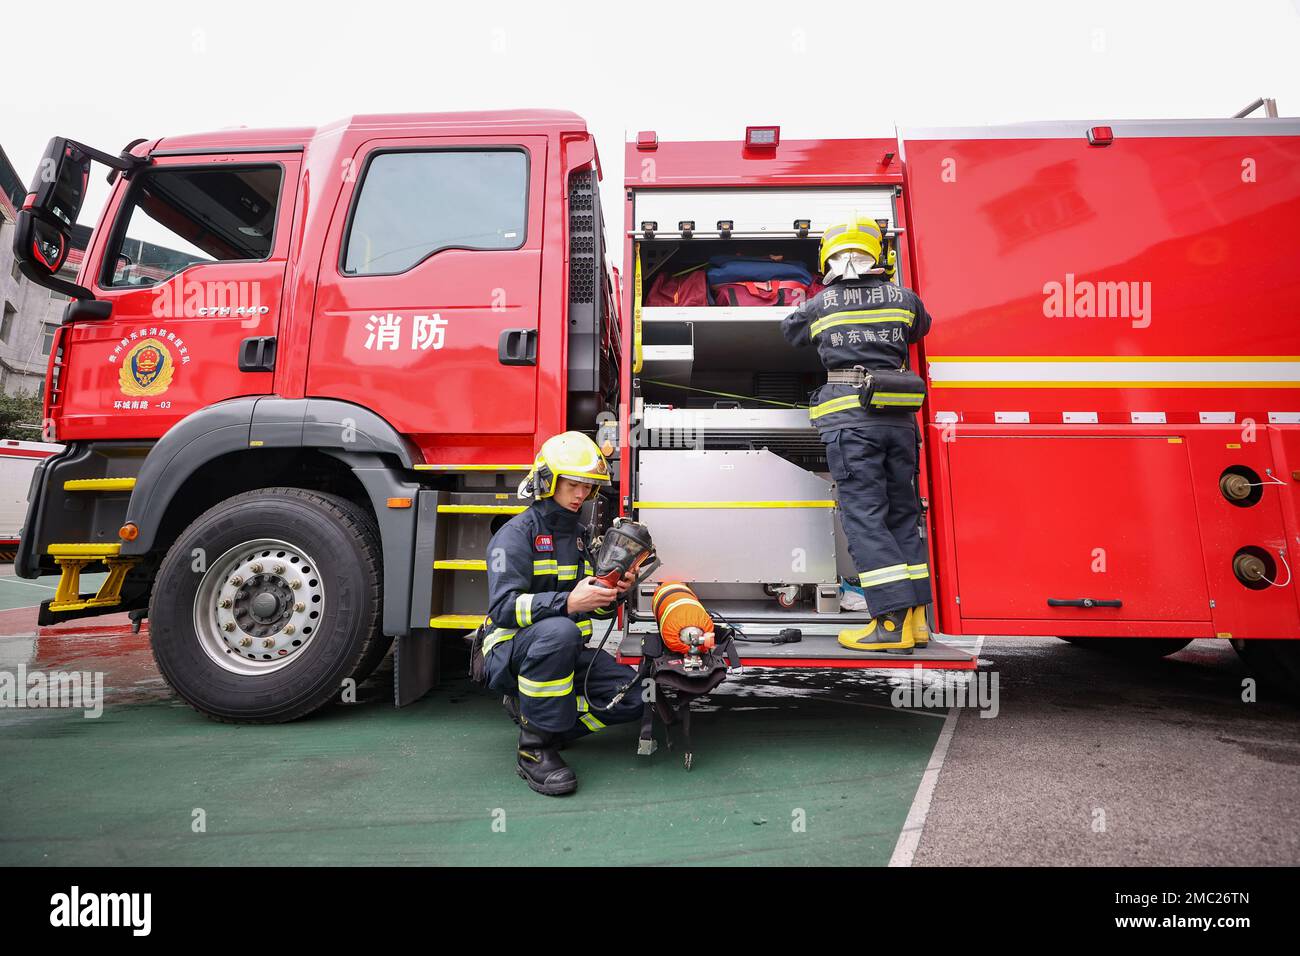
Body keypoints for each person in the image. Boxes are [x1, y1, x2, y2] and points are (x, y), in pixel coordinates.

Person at [780, 217, 934, 653]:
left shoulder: (823, 303)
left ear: (829, 256)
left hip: (851, 428)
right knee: (904, 515)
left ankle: (888, 624)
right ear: (879, 254)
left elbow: (790, 332)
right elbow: (922, 327)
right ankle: (916, 619)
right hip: (899, 424)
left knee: (865, 518)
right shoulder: (904, 299)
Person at [480, 431, 643, 796]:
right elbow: (504, 609)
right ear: (546, 480)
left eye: (587, 486)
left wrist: (611, 594)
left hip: (563, 652)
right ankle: (535, 749)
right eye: (572, 484)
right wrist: (568, 603)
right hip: (510, 652)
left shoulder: (580, 536)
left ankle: (550, 723)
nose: (581, 494)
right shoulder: (514, 536)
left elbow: (597, 615)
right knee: (559, 631)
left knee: (633, 696)